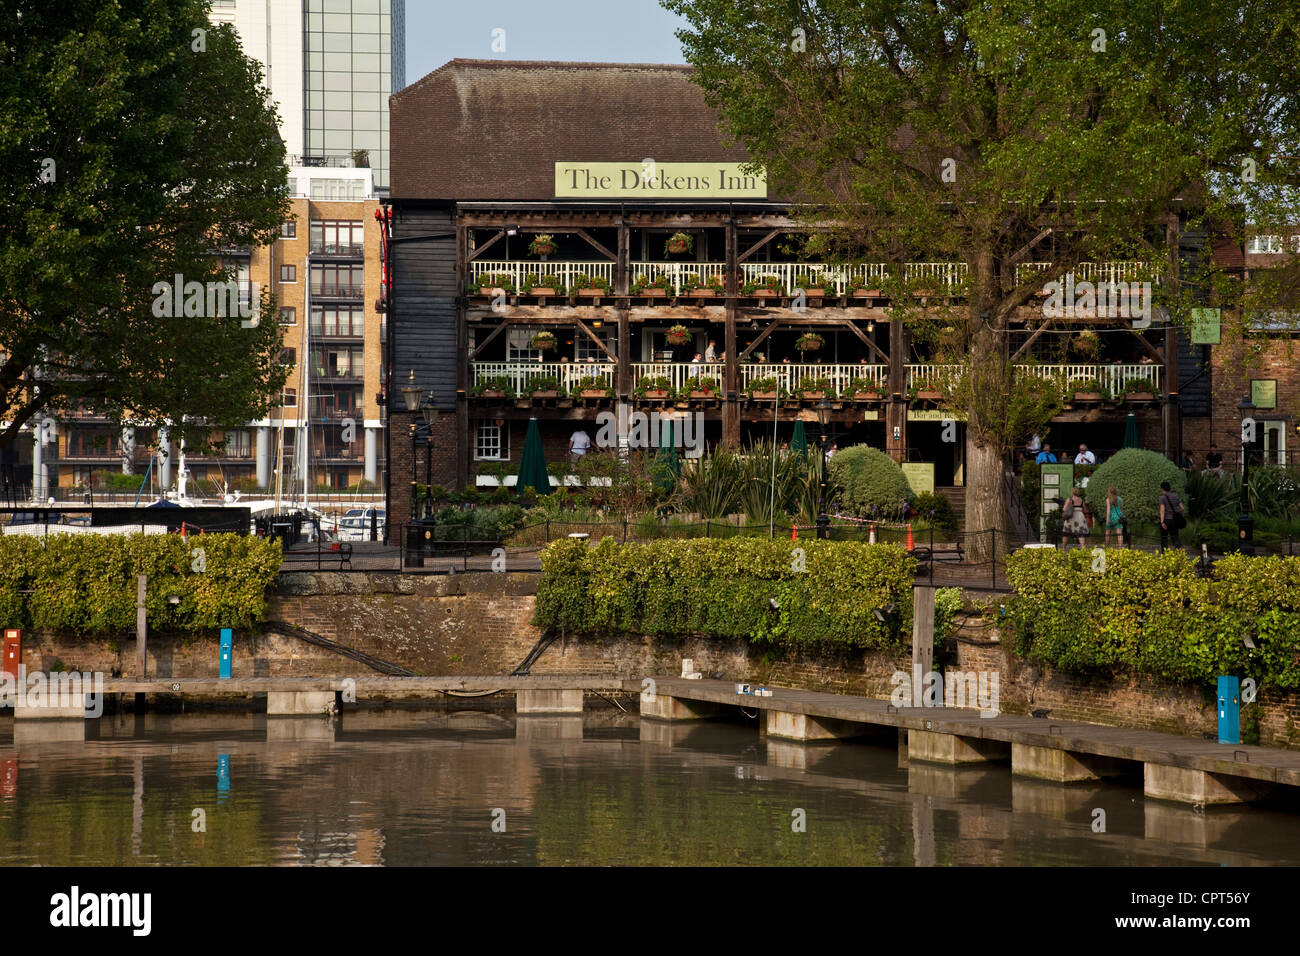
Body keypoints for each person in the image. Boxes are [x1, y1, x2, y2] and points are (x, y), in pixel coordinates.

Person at [1158, 480, 1185, 551]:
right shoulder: (1175, 496)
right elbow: (1182, 508)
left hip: (1166, 520)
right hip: (1174, 520)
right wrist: (1176, 512)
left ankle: (1165, 555)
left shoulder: (1162, 498)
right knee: (1175, 537)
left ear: (1162, 488)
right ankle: (1180, 551)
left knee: (1164, 538)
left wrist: (1162, 522)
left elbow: (1162, 510)